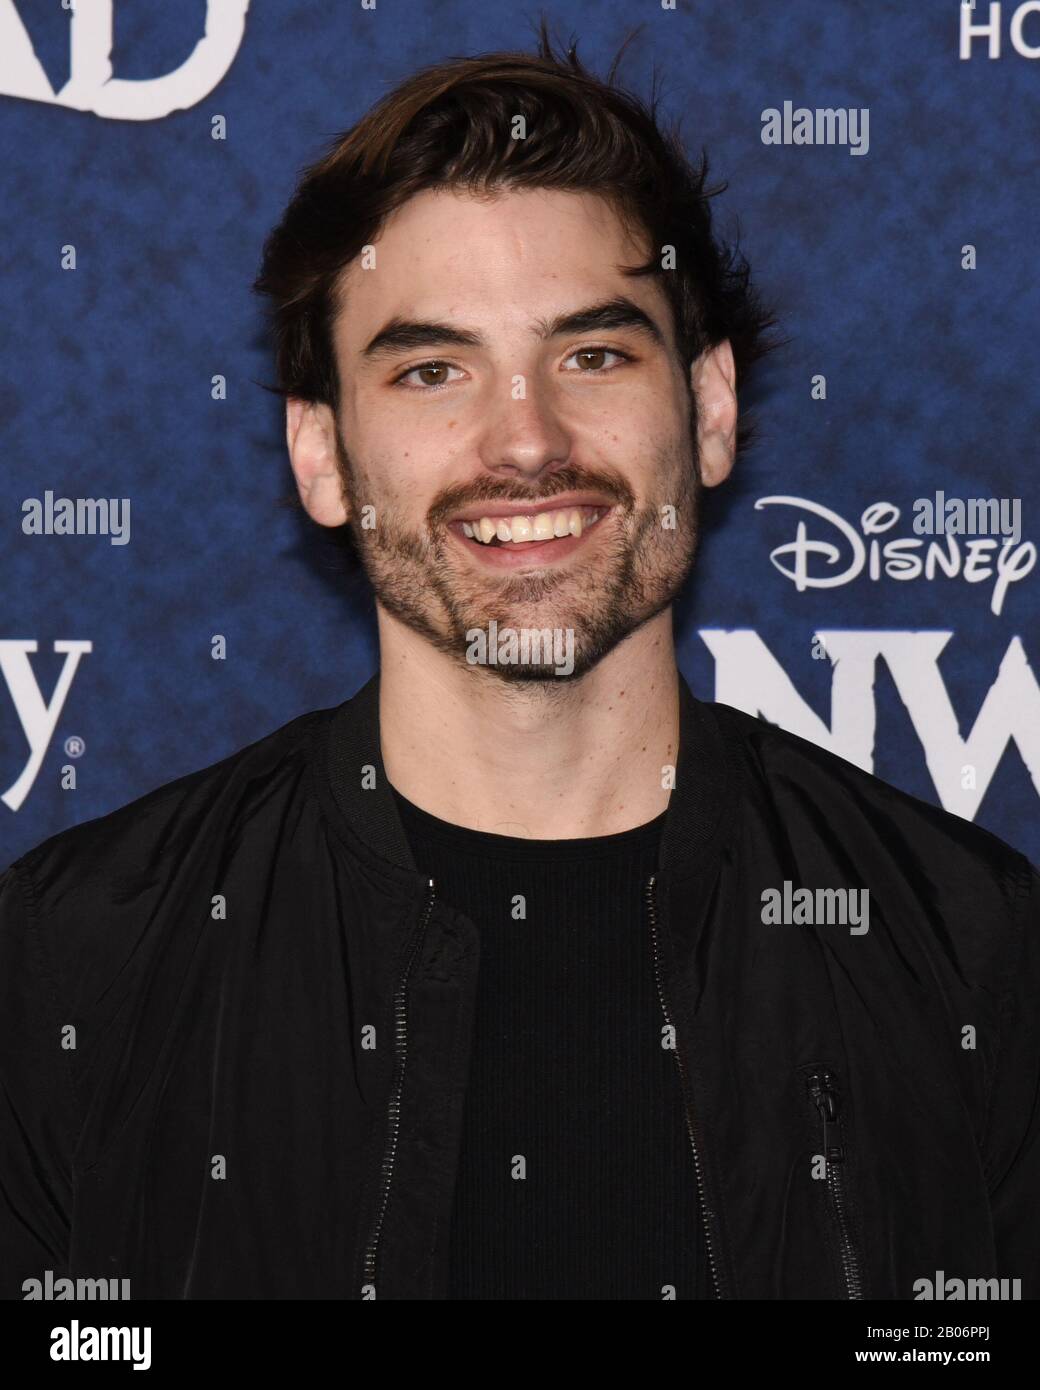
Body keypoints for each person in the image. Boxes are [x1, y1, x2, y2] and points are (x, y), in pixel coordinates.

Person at [2, 28, 1037, 1301]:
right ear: (321, 455)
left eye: (592, 354)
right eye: (433, 370)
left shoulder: (966, 944)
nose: (526, 439)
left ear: (706, 412)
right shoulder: (82, 957)